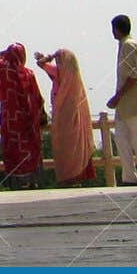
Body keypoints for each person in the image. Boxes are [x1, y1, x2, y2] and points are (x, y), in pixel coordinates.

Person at [0, 43, 46, 187]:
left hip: (10, 119)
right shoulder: (29, 74)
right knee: (30, 148)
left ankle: (17, 183)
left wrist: (4, 53)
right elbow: (37, 97)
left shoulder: (2, 69)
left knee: (13, 149)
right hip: (29, 119)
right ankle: (33, 181)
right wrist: (42, 115)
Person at [35, 49, 95, 185]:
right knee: (76, 146)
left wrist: (48, 57)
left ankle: (69, 176)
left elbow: (40, 64)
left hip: (64, 116)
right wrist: (49, 57)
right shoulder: (73, 76)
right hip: (73, 116)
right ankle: (77, 176)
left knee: (67, 147)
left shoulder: (60, 72)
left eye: (59, 59)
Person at [107, 15, 137, 186]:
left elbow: (134, 76)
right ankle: (129, 177)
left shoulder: (129, 46)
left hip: (134, 101)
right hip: (124, 104)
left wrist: (117, 96)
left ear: (117, 29)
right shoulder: (123, 45)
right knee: (121, 140)